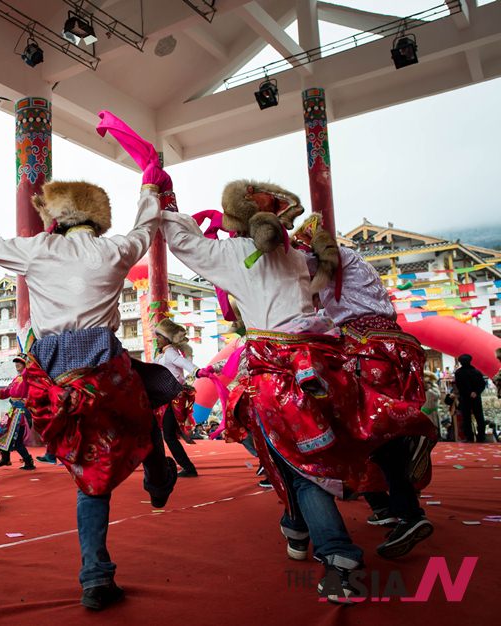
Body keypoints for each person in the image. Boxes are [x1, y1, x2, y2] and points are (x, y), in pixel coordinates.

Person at [0, 163, 178, 610]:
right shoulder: (114, 249)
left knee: (90, 480)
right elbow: (146, 229)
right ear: (96, 218)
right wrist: (149, 189)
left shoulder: (39, 250)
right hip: (107, 372)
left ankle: (95, 577)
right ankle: (158, 475)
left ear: (57, 218)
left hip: (57, 383)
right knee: (146, 403)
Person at [162, 180, 387, 603]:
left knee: (298, 466)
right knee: (293, 454)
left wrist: (162, 198)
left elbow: (181, 242)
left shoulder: (235, 253)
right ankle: (296, 528)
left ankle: (339, 555)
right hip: (319, 364)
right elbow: (323, 273)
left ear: (235, 220)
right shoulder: (294, 254)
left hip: (275, 374)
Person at [292, 215, 437, 553]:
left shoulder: (333, 260)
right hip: (392, 348)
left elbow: (289, 268)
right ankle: (386, 503)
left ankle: (407, 504)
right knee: (369, 432)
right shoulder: (355, 265)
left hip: (365, 351)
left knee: (365, 431)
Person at [152, 319, 198, 477]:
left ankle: (189, 468)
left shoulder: (170, 353)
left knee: (169, 436)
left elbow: (183, 363)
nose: (156, 339)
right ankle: (186, 467)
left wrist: (197, 371)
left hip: (172, 398)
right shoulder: (163, 354)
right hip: (165, 398)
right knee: (168, 434)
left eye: (159, 336)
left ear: (167, 338)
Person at [0, 354, 35, 470]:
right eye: (16, 362)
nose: (17, 364)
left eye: (20, 362)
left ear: (25, 364)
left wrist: (28, 362)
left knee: (17, 440)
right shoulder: (16, 379)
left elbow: (28, 372)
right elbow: (6, 392)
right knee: (1, 433)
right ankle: (5, 458)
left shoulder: (28, 377)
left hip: (21, 412)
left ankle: (28, 461)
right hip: (13, 411)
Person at [454, 354, 487, 443]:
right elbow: (482, 384)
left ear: (460, 362)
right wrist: (476, 392)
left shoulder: (458, 373)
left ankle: (469, 437)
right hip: (476, 397)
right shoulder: (476, 372)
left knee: (466, 418)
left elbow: (459, 386)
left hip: (465, 398)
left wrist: (468, 393)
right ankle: (481, 437)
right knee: (479, 417)